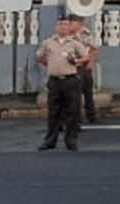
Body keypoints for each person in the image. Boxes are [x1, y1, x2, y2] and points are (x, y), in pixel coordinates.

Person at [36, 15, 90, 152]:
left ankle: (71, 140)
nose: (63, 27)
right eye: (60, 24)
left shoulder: (75, 43)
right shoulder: (48, 42)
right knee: (53, 112)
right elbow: (39, 57)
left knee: (72, 111)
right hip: (54, 81)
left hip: (70, 80)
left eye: (66, 24)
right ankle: (50, 140)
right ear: (56, 26)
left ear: (69, 27)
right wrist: (50, 66)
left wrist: (77, 62)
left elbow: (85, 57)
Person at [74, 16, 101, 124]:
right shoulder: (69, 35)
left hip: (84, 65)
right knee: (75, 94)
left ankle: (91, 116)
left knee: (88, 92)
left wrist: (90, 62)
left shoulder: (86, 34)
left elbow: (94, 49)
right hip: (73, 65)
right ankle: (77, 118)